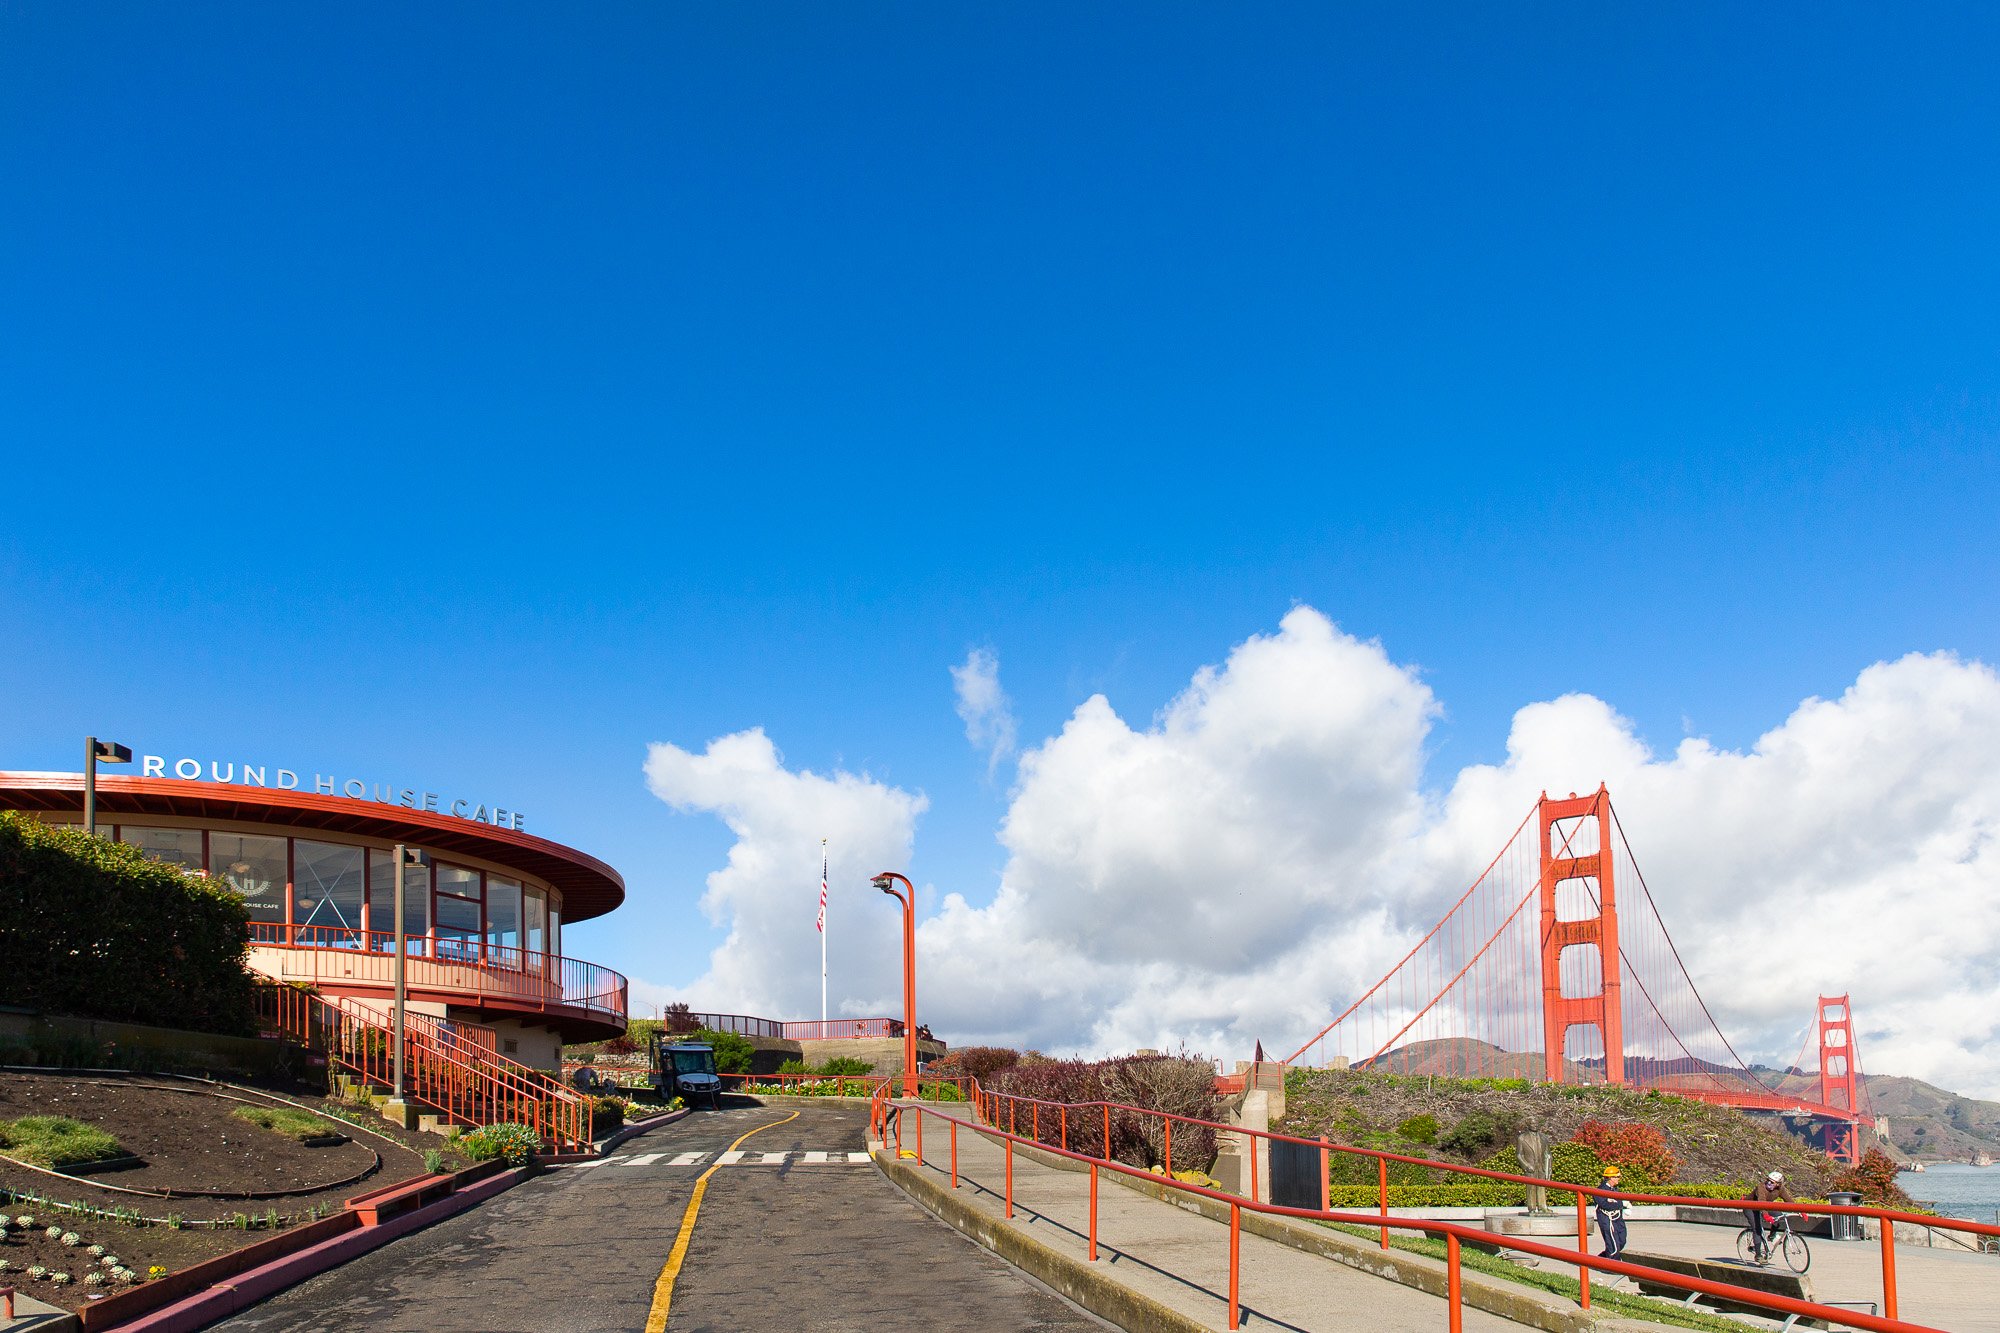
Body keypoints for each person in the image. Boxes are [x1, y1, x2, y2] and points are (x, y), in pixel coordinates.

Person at [1746, 1170, 1794, 1264]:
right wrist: (1766, 1215)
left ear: (1778, 1184)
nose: (1768, 1183)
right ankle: (1758, 1256)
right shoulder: (1761, 1187)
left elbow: (1789, 1200)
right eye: (1768, 1180)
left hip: (1766, 1206)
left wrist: (1801, 1211)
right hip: (1750, 1207)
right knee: (1757, 1229)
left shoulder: (1780, 1189)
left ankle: (1772, 1236)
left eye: (1772, 1182)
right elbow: (1761, 1202)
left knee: (1779, 1215)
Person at [1594, 1165, 1629, 1260]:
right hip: (1607, 1219)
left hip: (1618, 1219)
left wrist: (1626, 1206)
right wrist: (1621, 1204)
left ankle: (1601, 1259)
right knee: (1612, 1243)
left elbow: (1619, 1202)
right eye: (1617, 1177)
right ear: (1610, 1178)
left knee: (1622, 1240)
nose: (1618, 1179)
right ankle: (1613, 1264)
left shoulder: (1615, 1190)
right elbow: (1604, 1205)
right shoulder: (1600, 1190)